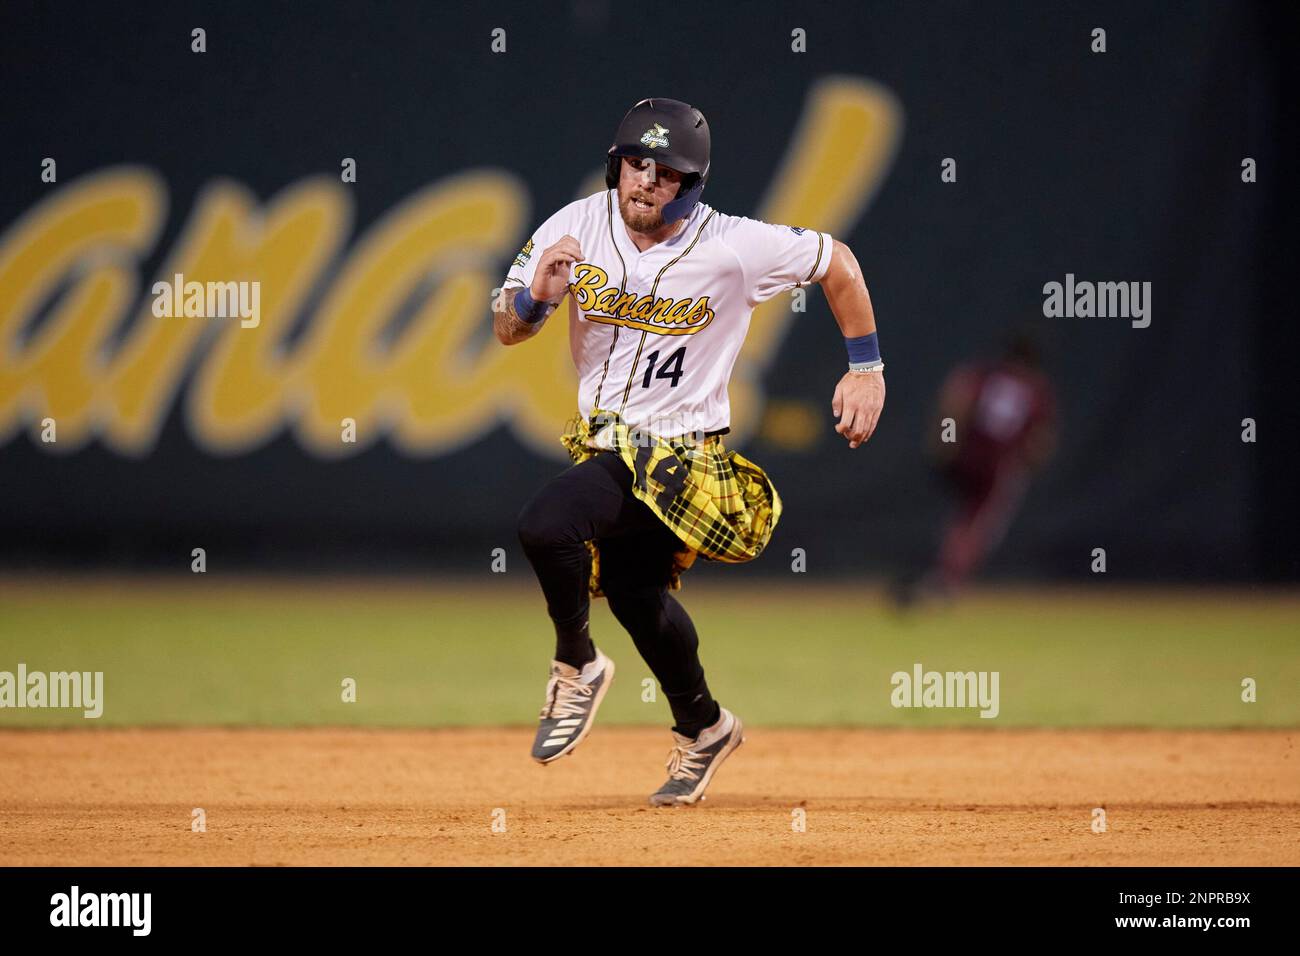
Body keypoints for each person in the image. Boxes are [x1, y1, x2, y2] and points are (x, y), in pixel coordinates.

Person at [494, 97, 885, 806]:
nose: (646, 180)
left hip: (680, 457)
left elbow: (839, 262)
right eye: (636, 164)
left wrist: (867, 368)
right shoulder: (573, 224)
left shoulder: (734, 245)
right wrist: (531, 304)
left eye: (666, 171)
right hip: (607, 442)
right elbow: (506, 329)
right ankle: (704, 727)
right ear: (617, 165)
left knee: (547, 523)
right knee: (639, 600)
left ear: (691, 184)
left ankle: (577, 663)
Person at [903, 333, 1057, 603]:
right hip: (996, 466)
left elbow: (956, 399)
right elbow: (1040, 440)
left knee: (962, 516)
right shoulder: (1035, 389)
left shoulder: (985, 375)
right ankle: (945, 579)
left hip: (965, 454)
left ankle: (938, 574)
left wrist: (944, 441)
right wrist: (1029, 463)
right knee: (977, 525)